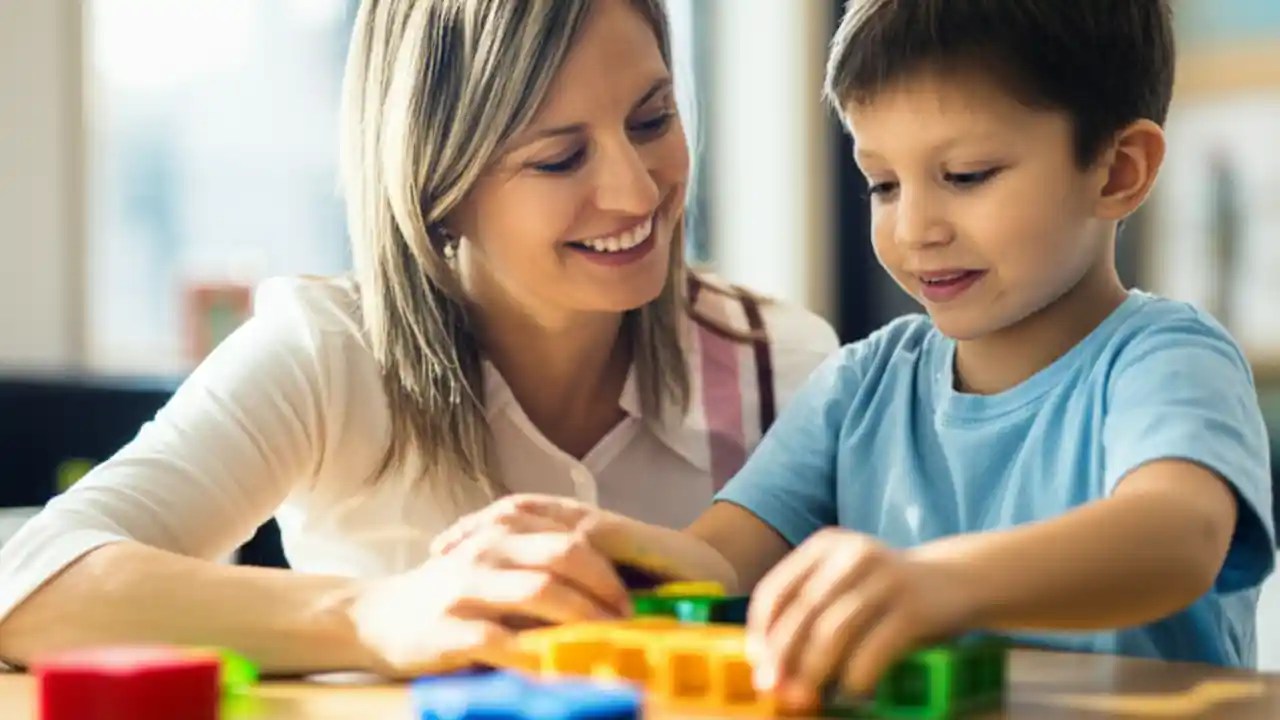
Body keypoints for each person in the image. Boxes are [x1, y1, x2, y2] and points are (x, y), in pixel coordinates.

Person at [434, 0, 1275, 707]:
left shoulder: (1165, 359)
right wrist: (605, 542)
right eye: (883, 183)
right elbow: (722, 558)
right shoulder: (860, 386)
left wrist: (940, 582)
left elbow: (1175, 537)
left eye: (969, 174)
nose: (915, 228)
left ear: (1118, 170)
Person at [0, 0, 837, 677]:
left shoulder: (782, 364)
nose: (633, 190)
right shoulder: (325, 355)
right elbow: (30, 587)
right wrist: (378, 613)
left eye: (652, 120)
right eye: (558, 159)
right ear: (439, 182)